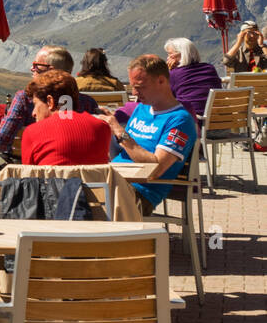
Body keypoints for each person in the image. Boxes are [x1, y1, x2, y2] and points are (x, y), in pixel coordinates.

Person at [105, 55, 198, 214]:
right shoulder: (141, 108)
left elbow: (156, 168)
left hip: (138, 192)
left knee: (77, 202)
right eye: (132, 86)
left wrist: (120, 132)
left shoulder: (179, 120)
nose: (134, 92)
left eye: (140, 87)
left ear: (161, 81)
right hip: (114, 180)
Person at [0, 47, 100, 154]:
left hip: (32, 165)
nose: (32, 69)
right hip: (80, 166)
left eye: (36, 66)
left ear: (51, 71)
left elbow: (2, 138)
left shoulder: (24, 99)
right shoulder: (88, 103)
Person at [19, 71, 112, 166]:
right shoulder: (102, 127)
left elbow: (29, 176)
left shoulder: (32, 132)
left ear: (50, 101)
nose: (33, 113)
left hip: (51, 181)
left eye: (35, 104)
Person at [164, 37, 223, 123]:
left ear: (181, 54)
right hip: (220, 123)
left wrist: (169, 72)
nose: (167, 58)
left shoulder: (175, 74)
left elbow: (166, 98)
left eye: (170, 54)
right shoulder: (209, 68)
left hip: (194, 125)